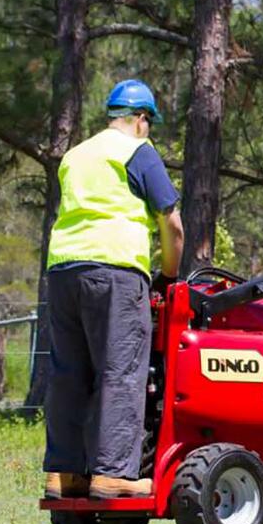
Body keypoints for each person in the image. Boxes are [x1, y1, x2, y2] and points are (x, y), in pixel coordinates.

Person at [43, 79, 184, 500]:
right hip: (115, 271)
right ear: (142, 120)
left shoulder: (75, 155)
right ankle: (113, 474)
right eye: (149, 123)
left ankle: (63, 473)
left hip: (64, 270)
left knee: (69, 374)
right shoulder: (138, 152)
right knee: (121, 371)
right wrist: (169, 277)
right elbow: (172, 225)